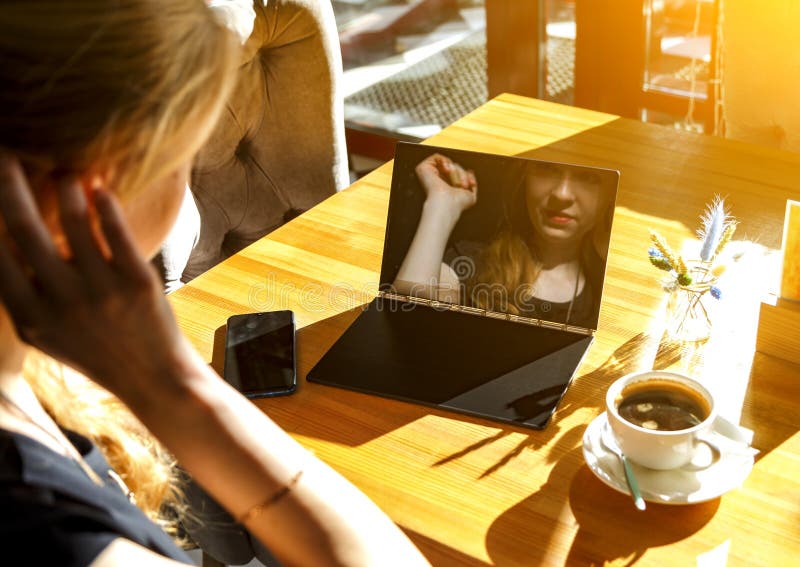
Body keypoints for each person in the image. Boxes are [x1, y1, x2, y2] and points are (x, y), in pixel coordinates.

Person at [0, 2, 429, 566]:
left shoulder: (35, 370)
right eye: (185, 155)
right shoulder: (63, 540)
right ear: (92, 190)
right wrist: (173, 382)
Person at [394, 153, 614, 328]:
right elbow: (402, 323)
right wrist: (442, 205)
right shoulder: (473, 263)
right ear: (524, 178)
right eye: (548, 169)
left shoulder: (608, 290)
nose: (562, 194)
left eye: (589, 177)